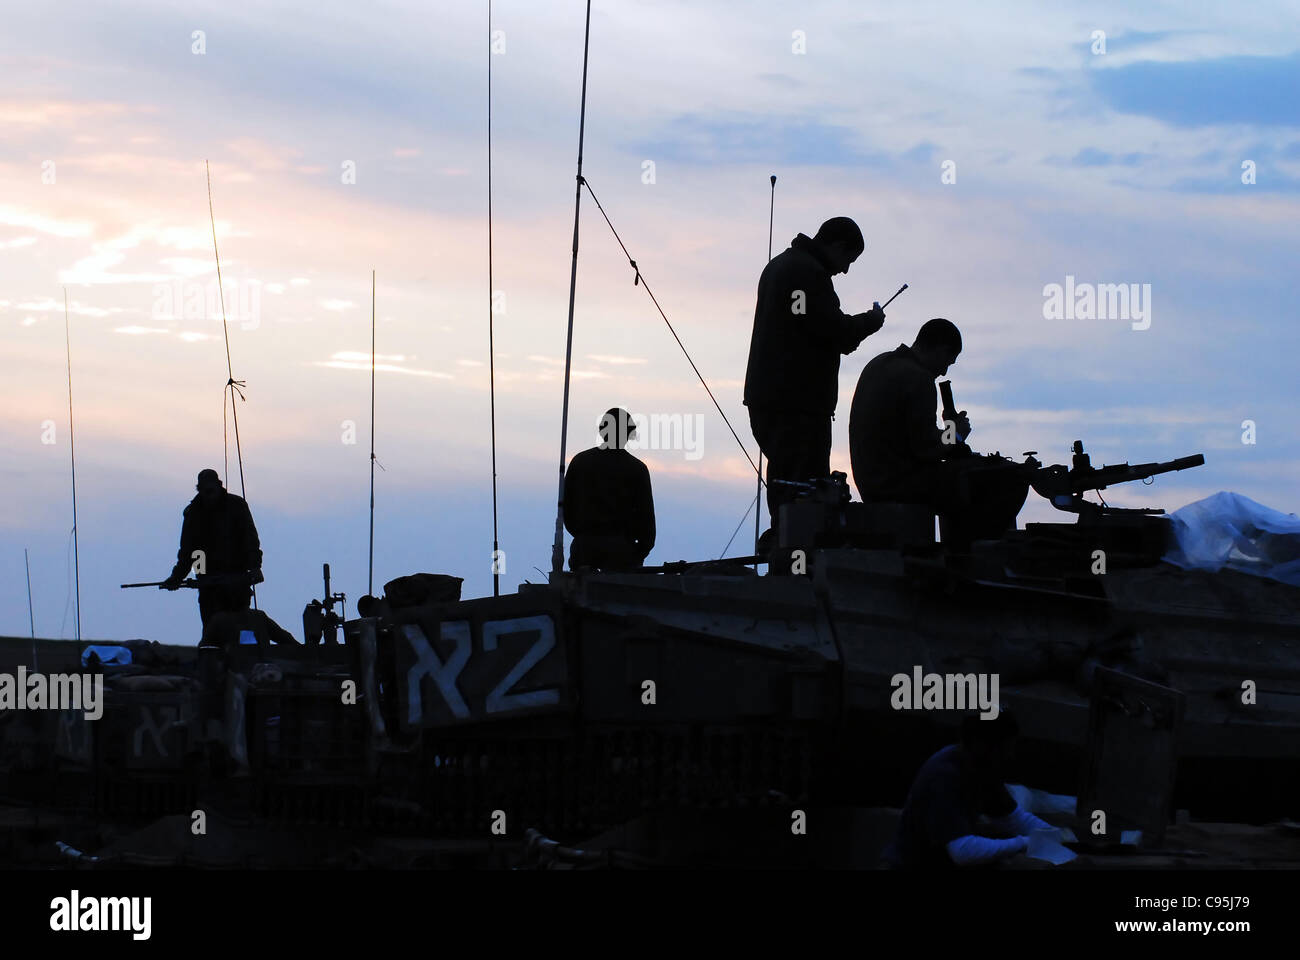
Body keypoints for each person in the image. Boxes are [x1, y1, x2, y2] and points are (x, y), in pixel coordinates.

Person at [743, 217, 886, 546]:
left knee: (788, 485)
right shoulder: (807, 274)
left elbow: (807, 323)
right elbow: (833, 331)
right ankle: (795, 570)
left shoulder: (782, 265)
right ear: (836, 247)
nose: (846, 270)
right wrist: (870, 322)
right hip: (797, 404)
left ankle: (785, 558)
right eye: (848, 260)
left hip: (773, 399)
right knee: (803, 491)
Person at [849, 318, 1027, 543]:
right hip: (898, 484)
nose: (944, 372)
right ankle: (974, 553)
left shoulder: (878, 364)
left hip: (873, 482)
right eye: (948, 362)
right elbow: (927, 449)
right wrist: (957, 432)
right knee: (1010, 476)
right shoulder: (918, 378)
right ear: (941, 350)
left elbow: (907, 437)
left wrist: (947, 432)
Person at [882, 711, 1057, 870]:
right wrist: (1025, 842)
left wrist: (1056, 836)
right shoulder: (944, 776)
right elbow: (963, 851)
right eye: (1003, 750)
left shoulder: (982, 769)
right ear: (980, 746)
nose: (1009, 756)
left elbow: (1014, 819)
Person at [161, 468, 263, 626]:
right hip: (209, 586)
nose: (209, 495)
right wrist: (178, 577)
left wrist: (255, 567)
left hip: (236, 581)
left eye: (211, 490)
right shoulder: (193, 514)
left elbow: (250, 539)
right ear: (199, 490)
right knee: (212, 633)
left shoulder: (236, 506)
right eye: (204, 490)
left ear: (219, 486)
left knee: (241, 630)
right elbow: (189, 551)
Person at [563, 408, 655, 571]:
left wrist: (583, 537)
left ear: (601, 430)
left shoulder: (580, 462)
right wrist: (637, 553)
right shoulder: (637, 469)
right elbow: (647, 521)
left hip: (585, 547)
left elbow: (566, 510)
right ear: (630, 433)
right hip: (622, 550)